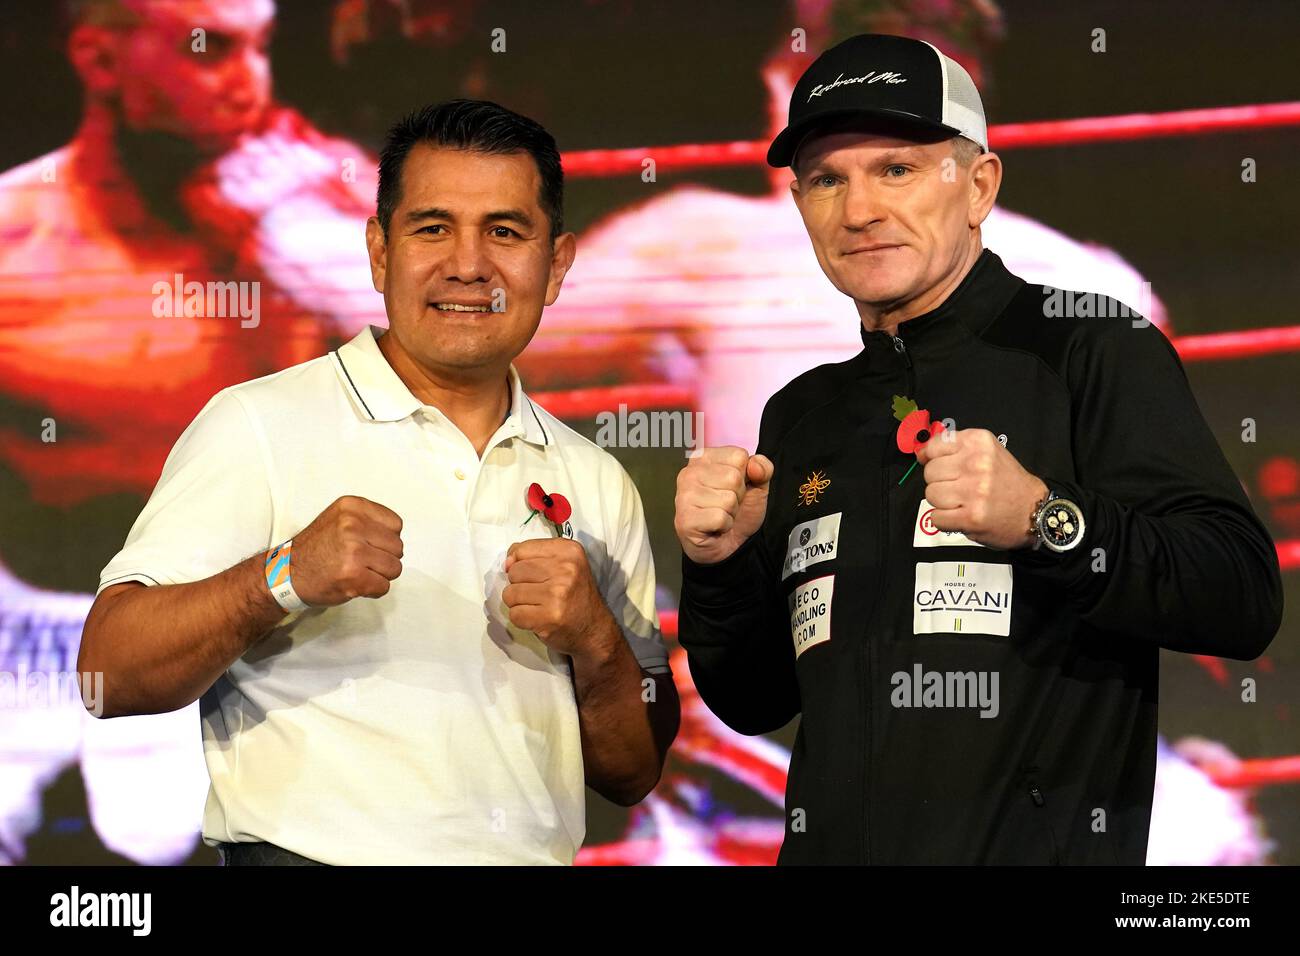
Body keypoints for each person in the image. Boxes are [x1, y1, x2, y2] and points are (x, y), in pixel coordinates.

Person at [673, 33, 1282, 864]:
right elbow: (757, 697)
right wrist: (719, 569)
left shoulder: (1090, 347)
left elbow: (1241, 598)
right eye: (826, 179)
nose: (858, 210)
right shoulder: (803, 413)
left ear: (979, 185)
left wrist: (1047, 520)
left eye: (897, 169)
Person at [78, 99, 680, 865]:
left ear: (555, 264)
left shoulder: (595, 480)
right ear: (378, 253)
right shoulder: (257, 423)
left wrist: (595, 636)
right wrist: (283, 576)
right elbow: (106, 675)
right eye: (432, 228)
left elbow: (631, 774)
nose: (468, 264)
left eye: (504, 230)